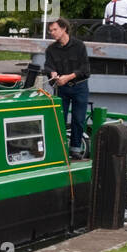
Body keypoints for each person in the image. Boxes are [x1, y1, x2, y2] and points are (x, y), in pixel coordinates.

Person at [45, 18, 90, 158]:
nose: (52, 33)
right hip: (61, 88)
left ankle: (75, 149)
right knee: (59, 118)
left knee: (78, 118)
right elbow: (48, 66)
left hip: (79, 87)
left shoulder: (79, 46)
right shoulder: (51, 49)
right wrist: (52, 73)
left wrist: (68, 77)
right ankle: (60, 148)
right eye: (50, 31)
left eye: (54, 29)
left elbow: (85, 69)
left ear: (64, 28)